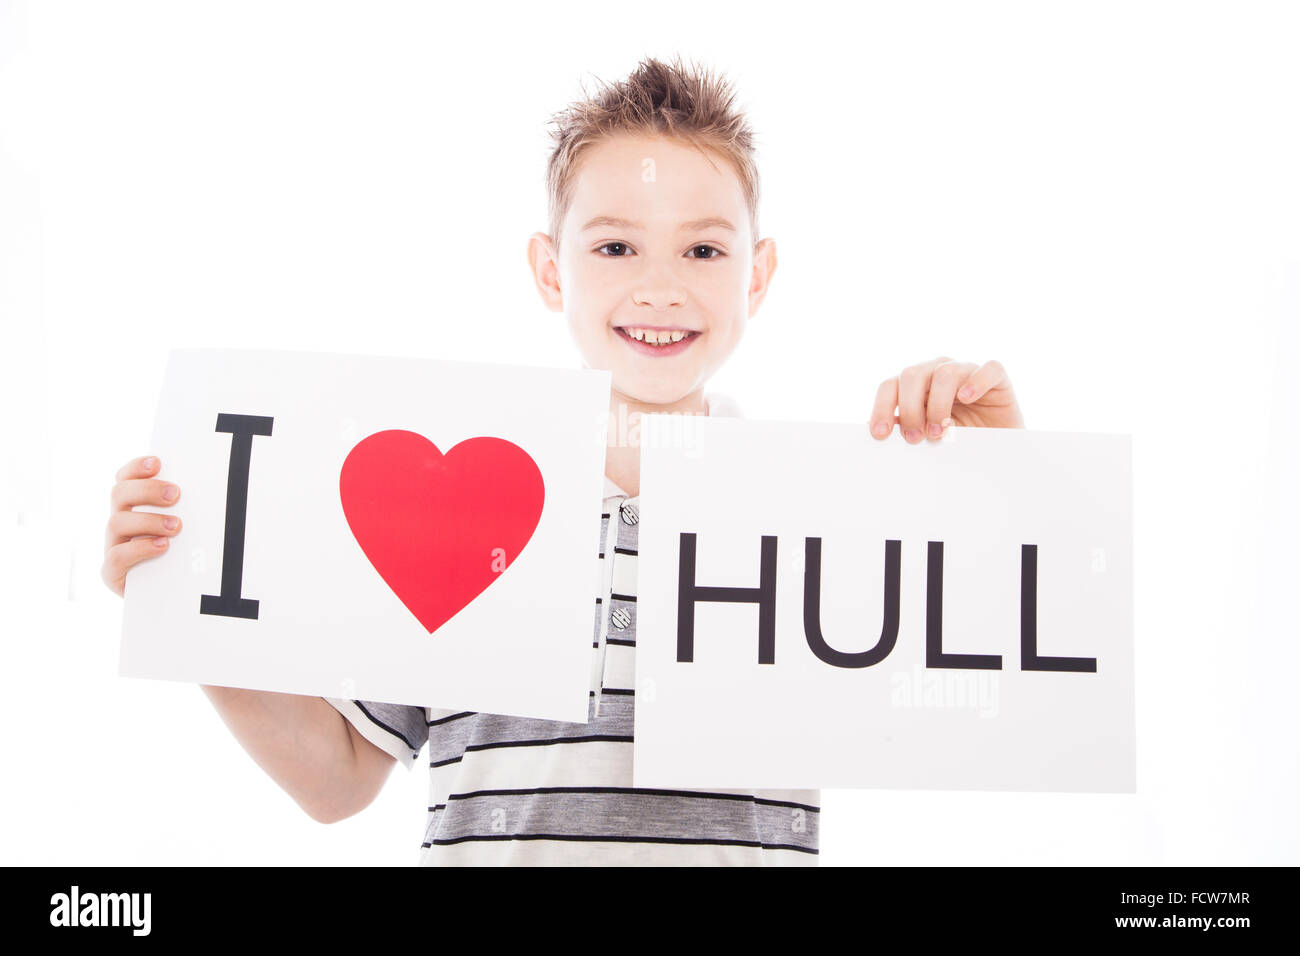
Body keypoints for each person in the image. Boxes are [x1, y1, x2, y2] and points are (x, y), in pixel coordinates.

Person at [100, 54, 1025, 865]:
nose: (659, 284)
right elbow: (336, 782)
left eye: (703, 247)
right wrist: (191, 613)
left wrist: (1009, 496)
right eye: (615, 245)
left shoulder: (819, 511)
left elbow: (985, 704)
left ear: (758, 273)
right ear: (551, 271)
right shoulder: (454, 508)